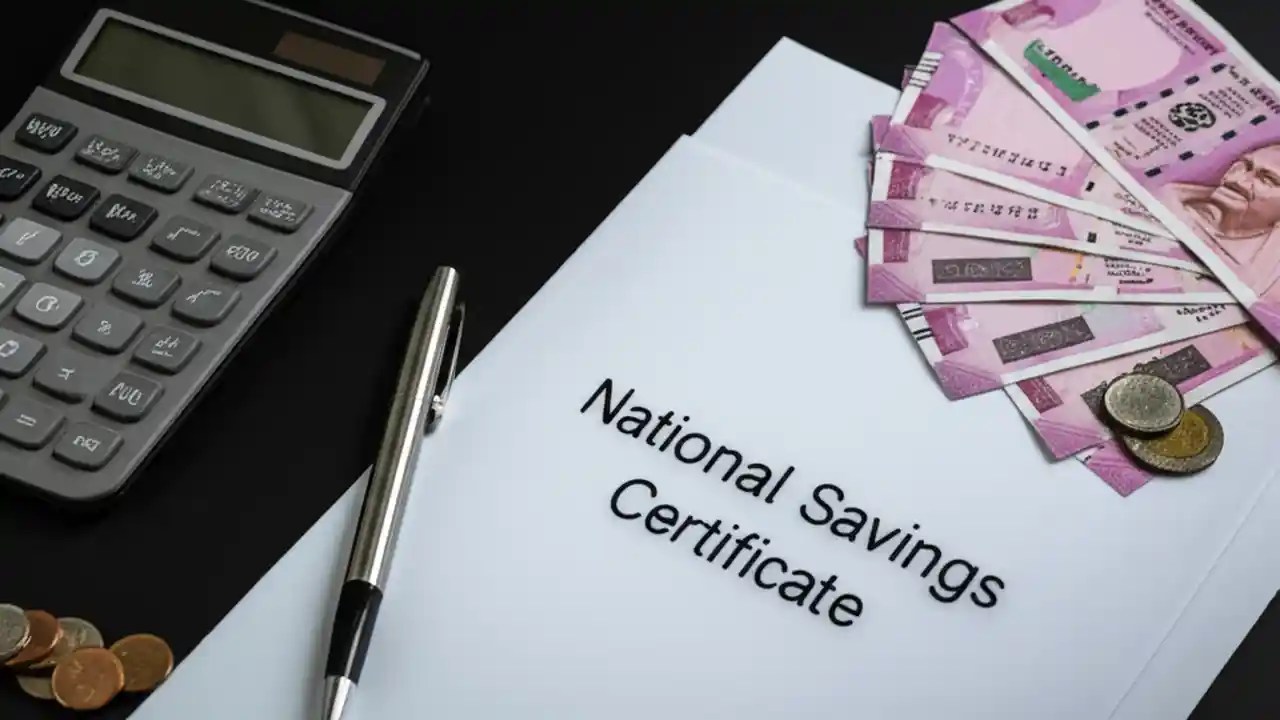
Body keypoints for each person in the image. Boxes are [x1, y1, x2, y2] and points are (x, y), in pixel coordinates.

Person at [1165, 142, 1280, 293]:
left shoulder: (1271, 275)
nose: (1241, 179)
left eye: (1267, 180)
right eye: (1243, 166)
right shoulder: (1170, 199)